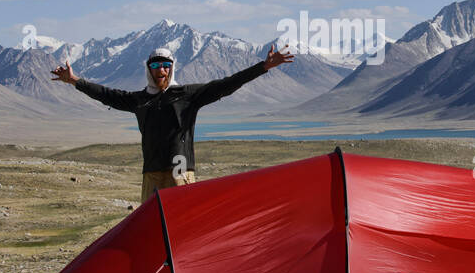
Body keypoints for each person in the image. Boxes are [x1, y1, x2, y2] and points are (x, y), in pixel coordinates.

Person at [52, 44, 294, 202]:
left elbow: (226, 84)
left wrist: (264, 67)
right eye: (156, 66)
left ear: (172, 69)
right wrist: (75, 80)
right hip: (152, 173)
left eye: (166, 66)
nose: (161, 70)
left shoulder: (187, 95)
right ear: (149, 69)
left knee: (183, 223)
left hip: (181, 171)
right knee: (151, 226)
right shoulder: (139, 100)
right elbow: (106, 94)